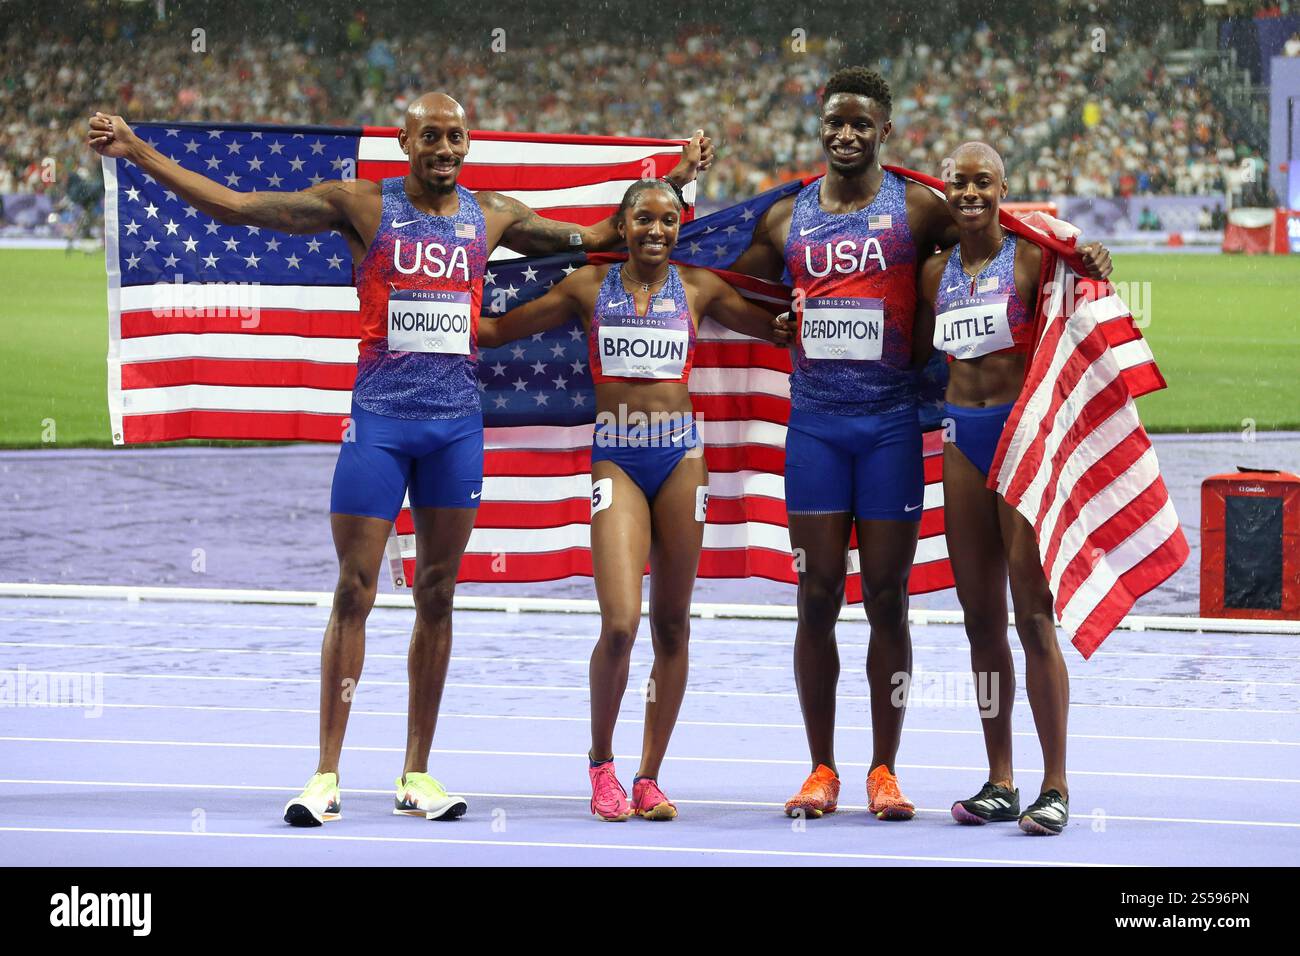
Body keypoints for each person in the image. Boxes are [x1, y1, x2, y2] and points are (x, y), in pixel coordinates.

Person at [87, 94, 713, 826]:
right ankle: (325, 774)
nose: (444, 149)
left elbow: (603, 233)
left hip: (455, 430)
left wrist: (675, 176)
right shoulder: (359, 204)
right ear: (405, 140)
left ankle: (417, 772)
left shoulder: (495, 215)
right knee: (355, 590)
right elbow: (238, 206)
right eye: (430, 137)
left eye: (455, 137)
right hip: (379, 425)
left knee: (438, 596)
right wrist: (139, 151)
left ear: (468, 143)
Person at [726, 66, 1110, 821]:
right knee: (823, 597)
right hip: (823, 427)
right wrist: (767, 324)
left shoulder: (924, 213)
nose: (846, 133)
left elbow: (1020, 239)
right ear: (821, 125)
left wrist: (1088, 254)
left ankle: (907, 773)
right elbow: (724, 286)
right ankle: (829, 769)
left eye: (861, 123)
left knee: (908, 601)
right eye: (835, 120)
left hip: (907, 429)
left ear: (884, 132)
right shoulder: (790, 221)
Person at [478, 179, 791, 820]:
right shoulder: (587, 289)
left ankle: (649, 776)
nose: (657, 230)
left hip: (683, 461)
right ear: (621, 227)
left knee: (672, 624)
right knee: (620, 624)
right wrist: (429, 296)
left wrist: (800, 314)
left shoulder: (699, 289)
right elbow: (495, 331)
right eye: (643, 219)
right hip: (618, 457)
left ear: (680, 227)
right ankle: (601, 765)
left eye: (669, 220)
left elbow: (774, 330)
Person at [914, 142, 1069, 835]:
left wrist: (1095, 261)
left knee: (1033, 616)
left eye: (983, 182)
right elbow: (916, 355)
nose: (970, 193)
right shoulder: (934, 273)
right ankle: (1000, 779)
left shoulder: (1035, 261)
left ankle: (1057, 784)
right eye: (959, 183)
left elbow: (1081, 314)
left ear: (1005, 188)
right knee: (980, 622)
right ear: (945, 192)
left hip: (1019, 439)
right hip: (959, 439)